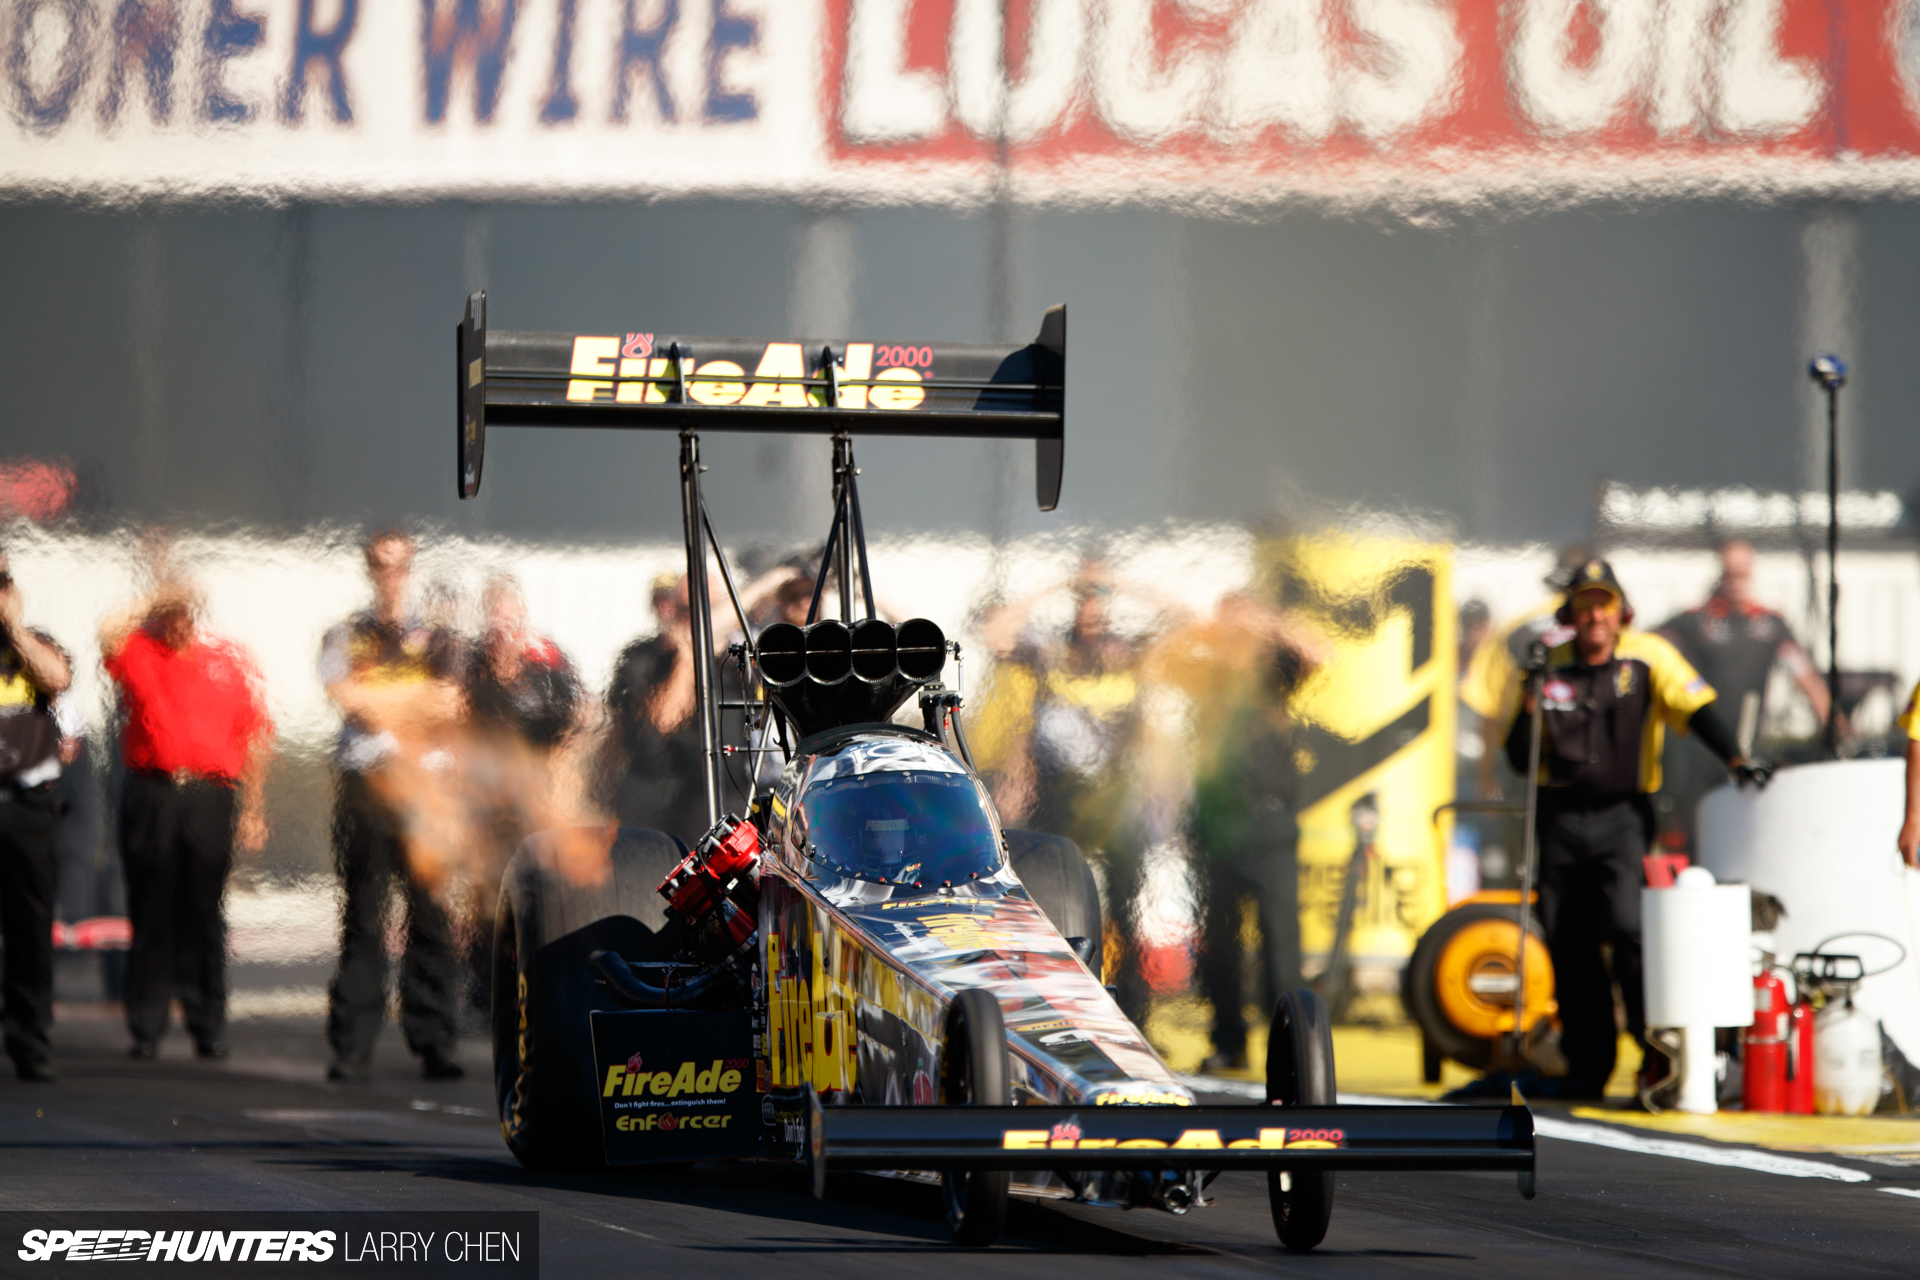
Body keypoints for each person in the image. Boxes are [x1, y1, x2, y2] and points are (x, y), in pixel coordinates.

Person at [1503, 558, 1765, 1098]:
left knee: (1628, 928)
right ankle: (1588, 1065)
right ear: (1570, 614)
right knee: (1569, 940)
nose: (1595, 615)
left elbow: (1697, 708)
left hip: (1623, 816)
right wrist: (1531, 691)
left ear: (1622, 612)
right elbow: (1517, 756)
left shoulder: (1649, 656)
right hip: (1559, 818)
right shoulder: (1550, 665)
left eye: (1604, 604)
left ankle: (1655, 1056)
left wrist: (1736, 758)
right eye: (1584, 605)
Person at [101, 575, 272, 1061]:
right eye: (169, 613)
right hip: (154, 791)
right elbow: (108, 633)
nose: (177, 622)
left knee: (203, 911)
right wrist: (156, 594)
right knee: (151, 908)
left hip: (210, 795)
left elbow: (253, 737)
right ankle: (146, 1026)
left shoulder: (225, 661)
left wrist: (254, 809)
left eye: (184, 612)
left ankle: (207, 1023)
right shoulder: (141, 652)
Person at [319, 530, 466, 1082]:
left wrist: (385, 701)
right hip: (367, 787)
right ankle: (352, 1045)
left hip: (426, 791)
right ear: (369, 569)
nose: (390, 576)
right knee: (363, 914)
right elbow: (346, 696)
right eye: (381, 565)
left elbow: (450, 702)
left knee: (430, 915)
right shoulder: (345, 634)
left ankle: (434, 1041)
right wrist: (411, 705)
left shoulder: (440, 637)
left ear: (411, 569)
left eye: (399, 565)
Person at [1655, 540, 1836, 851]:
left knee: (1747, 816)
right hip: (1704, 742)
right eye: (1731, 572)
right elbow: (1650, 650)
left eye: (1743, 572)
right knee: (1699, 817)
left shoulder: (1770, 622)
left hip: (1750, 736)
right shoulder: (1695, 619)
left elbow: (1805, 674)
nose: (1737, 579)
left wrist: (1834, 724)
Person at [461, 574, 582, 1001]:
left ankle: (540, 977)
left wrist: (561, 781)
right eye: (493, 610)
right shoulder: (470, 663)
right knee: (488, 894)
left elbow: (574, 719)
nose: (501, 620)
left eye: (507, 610)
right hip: (485, 800)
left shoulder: (547, 660)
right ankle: (488, 989)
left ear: (520, 612)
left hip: (536, 795)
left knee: (540, 886)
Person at [0, 550, 72, 1081]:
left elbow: (57, 677)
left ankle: (30, 1042)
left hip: (27, 807)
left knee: (28, 927)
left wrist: (12, 628)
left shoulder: (35, 645)